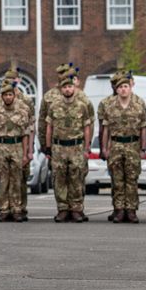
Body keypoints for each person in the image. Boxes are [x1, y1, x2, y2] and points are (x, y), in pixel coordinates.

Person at [99, 72, 146, 224]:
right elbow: (106, 130)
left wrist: (143, 149)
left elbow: (143, 129)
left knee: (132, 180)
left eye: (126, 86)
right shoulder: (110, 107)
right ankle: (119, 210)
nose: (123, 89)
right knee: (117, 180)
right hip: (116, 146)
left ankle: (131, 210)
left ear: (130, 88)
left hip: (133, 145)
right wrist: (105, 148)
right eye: (120, 87)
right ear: (117, 89)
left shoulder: (139, 105)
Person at [45, 76, 93, 223]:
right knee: (59, 179)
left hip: (76, 147)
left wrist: (87, 147)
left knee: (76, 178)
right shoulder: (54, 106)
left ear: (74, 88)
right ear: (61, 89)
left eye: (70, 87)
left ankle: (76, 209)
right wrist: (48, 148)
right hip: (59, 147)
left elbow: (87, 128)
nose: (67, 89)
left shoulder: (82, 106)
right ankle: (63, 209)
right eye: (65, 87)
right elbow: (49, 128)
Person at [0, 84, 32, 222]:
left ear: (14, 96)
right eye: (5, 95)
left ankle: (16, 209)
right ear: (1, 97)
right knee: (3, 181)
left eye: (10, 95)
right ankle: (4, 210)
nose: (8, 97)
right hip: (1, 146)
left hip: (16, 146)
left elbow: (25, 134)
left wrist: (25, 154)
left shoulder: (22, 112)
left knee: (16, 180)